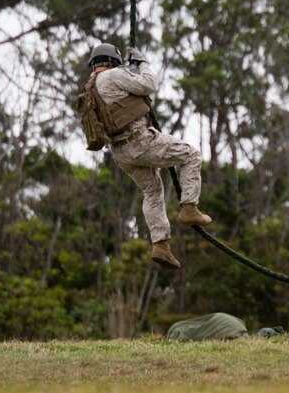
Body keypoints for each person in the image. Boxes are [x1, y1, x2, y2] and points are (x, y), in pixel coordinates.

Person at [79, 42, 212, 270]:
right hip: (140, 142)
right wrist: (142, 64)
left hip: (121, 153)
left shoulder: (90, 88)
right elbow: (149, 84)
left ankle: (160, 245)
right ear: (113, 61)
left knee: (152, 190)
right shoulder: (112, 76)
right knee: (191, 155)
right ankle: (189, 207)